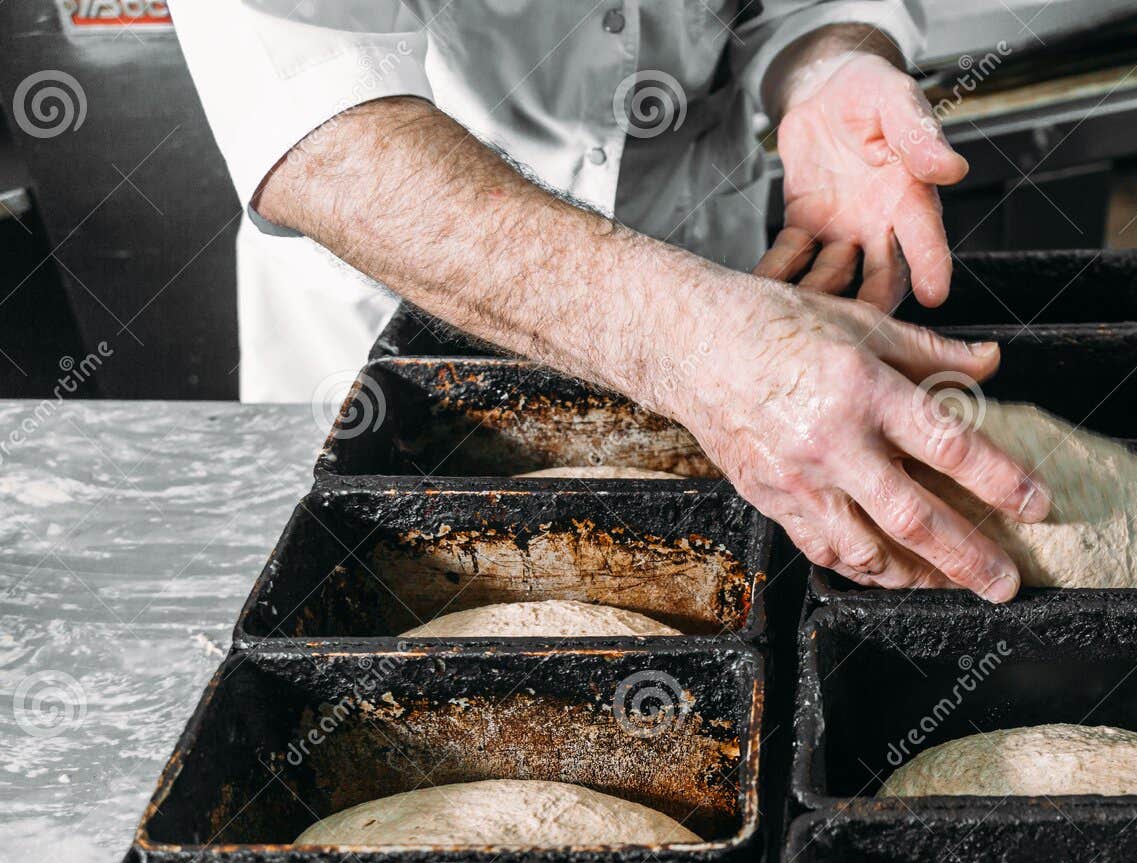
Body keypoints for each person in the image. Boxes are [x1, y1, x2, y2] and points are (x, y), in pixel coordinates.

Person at [168, 1, 1048, 600]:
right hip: (391, 325)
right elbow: (316, 116)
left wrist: (831, 60)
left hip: (731, 310)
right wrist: (689, 340)